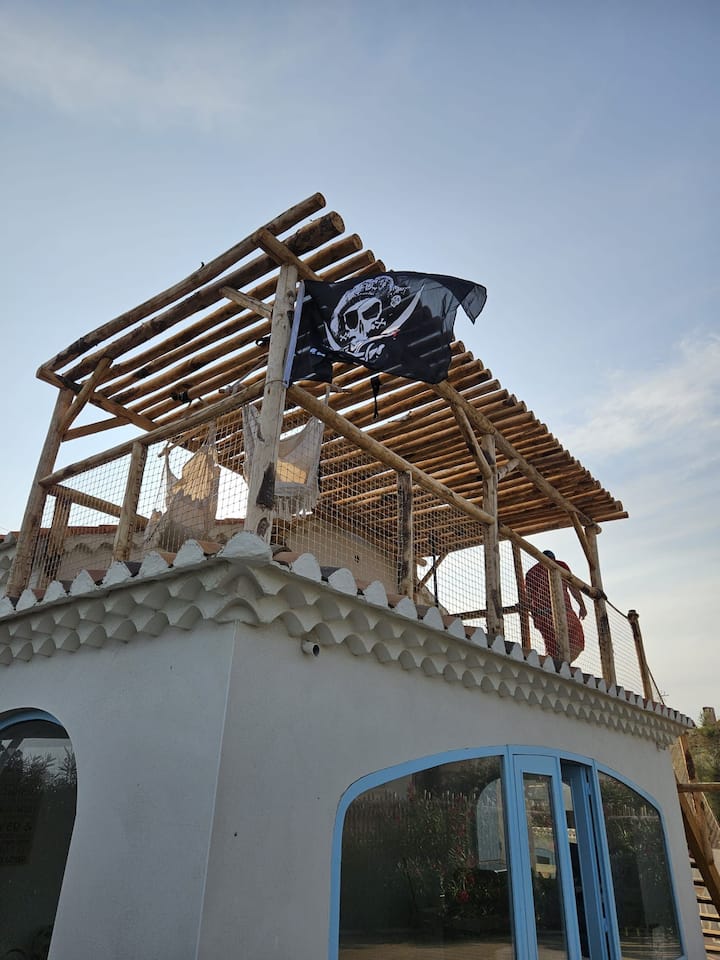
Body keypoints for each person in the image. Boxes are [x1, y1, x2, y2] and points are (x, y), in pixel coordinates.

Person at [524, 550, 587, 662]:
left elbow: (528, 598)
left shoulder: (530, 573)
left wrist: (533, 616)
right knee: (577, 641)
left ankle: (556, 667)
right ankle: (562, 666)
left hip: (540, 616)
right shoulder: (560, 565)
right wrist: (582, 606)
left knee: (552, 649)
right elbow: (573, 587)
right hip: (562, 612)